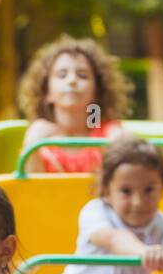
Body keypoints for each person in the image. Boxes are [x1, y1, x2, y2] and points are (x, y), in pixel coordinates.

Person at [58, 137, 163, 274]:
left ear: (162, 188)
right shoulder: (95, 210)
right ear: (106, 190)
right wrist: (143, 251)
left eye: (149, 190)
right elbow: (113, 238)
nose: (138, 202)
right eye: (126, 191)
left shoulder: (159, 222)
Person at [18, 35, 131, 174]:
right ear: (46, 91)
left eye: (82, 75)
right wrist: (32, 146)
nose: (72, 80)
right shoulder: (39, 138)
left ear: (97, 92)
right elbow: (31, 191)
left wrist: (123, 146)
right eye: (62, 75)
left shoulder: (108, 133)